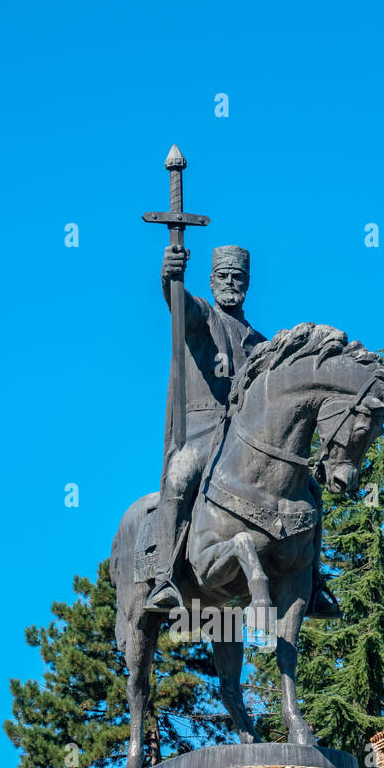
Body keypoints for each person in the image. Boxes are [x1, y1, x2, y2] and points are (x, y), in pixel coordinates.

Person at [144, 243, 341, 618]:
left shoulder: (262, 344)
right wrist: (171, 277)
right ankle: (165, 577)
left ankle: (314, 584)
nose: (230, 282)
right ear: (211, 280)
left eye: (238, 276)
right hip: (201, 432)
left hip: (245, 440)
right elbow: (179, 306)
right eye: (223, 276)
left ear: (248, 283)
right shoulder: (203, 318)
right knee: (180, 476)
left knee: (311, 490)